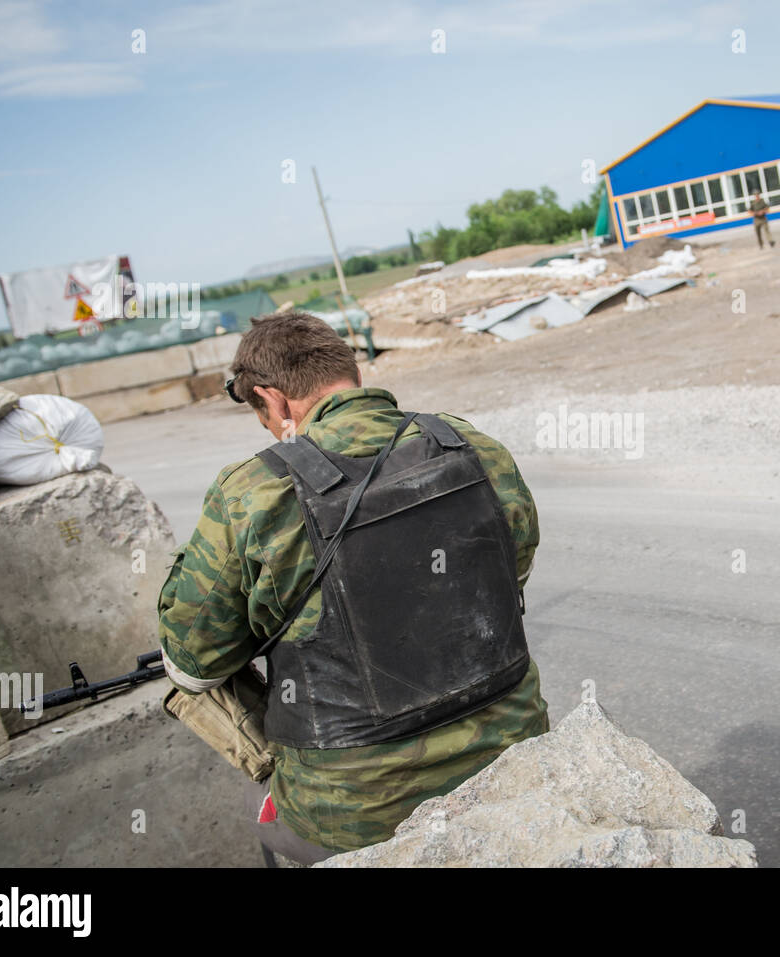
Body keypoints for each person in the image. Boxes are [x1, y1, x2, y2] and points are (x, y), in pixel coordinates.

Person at [158, 310, 548, 865]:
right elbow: (511, 576)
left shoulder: (253, 491)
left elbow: (193, 663)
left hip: (355, 813)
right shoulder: (470, 444)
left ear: (274, 399)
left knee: (251, 783)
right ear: (351, 373)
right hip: (519, 754)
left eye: (262, 415)